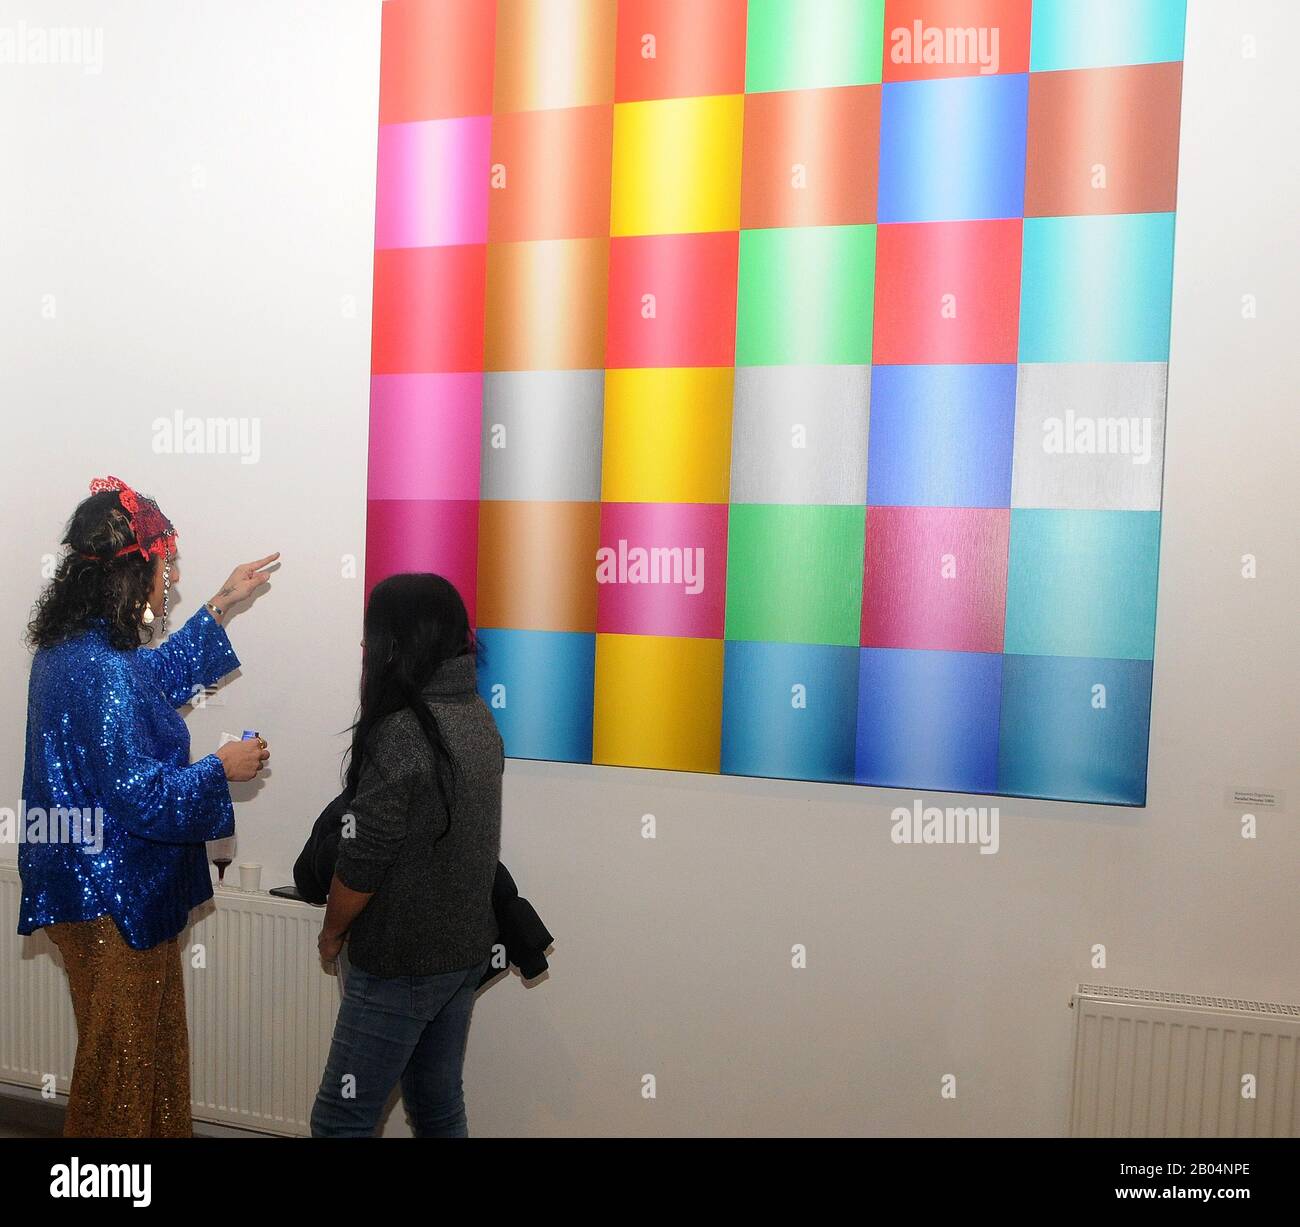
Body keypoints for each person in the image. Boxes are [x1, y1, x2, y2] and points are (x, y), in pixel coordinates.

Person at [19, 475, 277, 1137]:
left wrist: (221, 604)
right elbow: (139, 798)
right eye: (167, 567)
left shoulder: (75, 652)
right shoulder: (102, 666)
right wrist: (221, 769)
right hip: (113, 901)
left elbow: (151, 680)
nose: (172, 580)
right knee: (121, 1084)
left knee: (148, 1060)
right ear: (133, 574)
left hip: (104, 893)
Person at [310, 573, 502, 1138]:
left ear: (398, 643)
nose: (365, 648)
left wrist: (331, 934)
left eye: (373, 634)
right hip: (460, 951)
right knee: (437, 1105)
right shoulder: (475, 716)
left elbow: (363, 862)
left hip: (402, 962)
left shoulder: (404, 734)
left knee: (340, 1120)